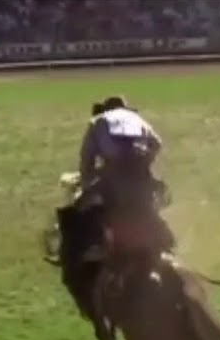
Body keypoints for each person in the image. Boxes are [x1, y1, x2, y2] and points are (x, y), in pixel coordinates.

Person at [75, 95, 177, 263]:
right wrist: (146, 162)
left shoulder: (98, 121)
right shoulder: (137, 119)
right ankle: (167, 244)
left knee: (85, 208)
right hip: (141, 174)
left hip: (113, 173)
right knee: (149, 209)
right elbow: (156, 143)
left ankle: (94, 246)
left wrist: (87, 183)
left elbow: (87, 159)